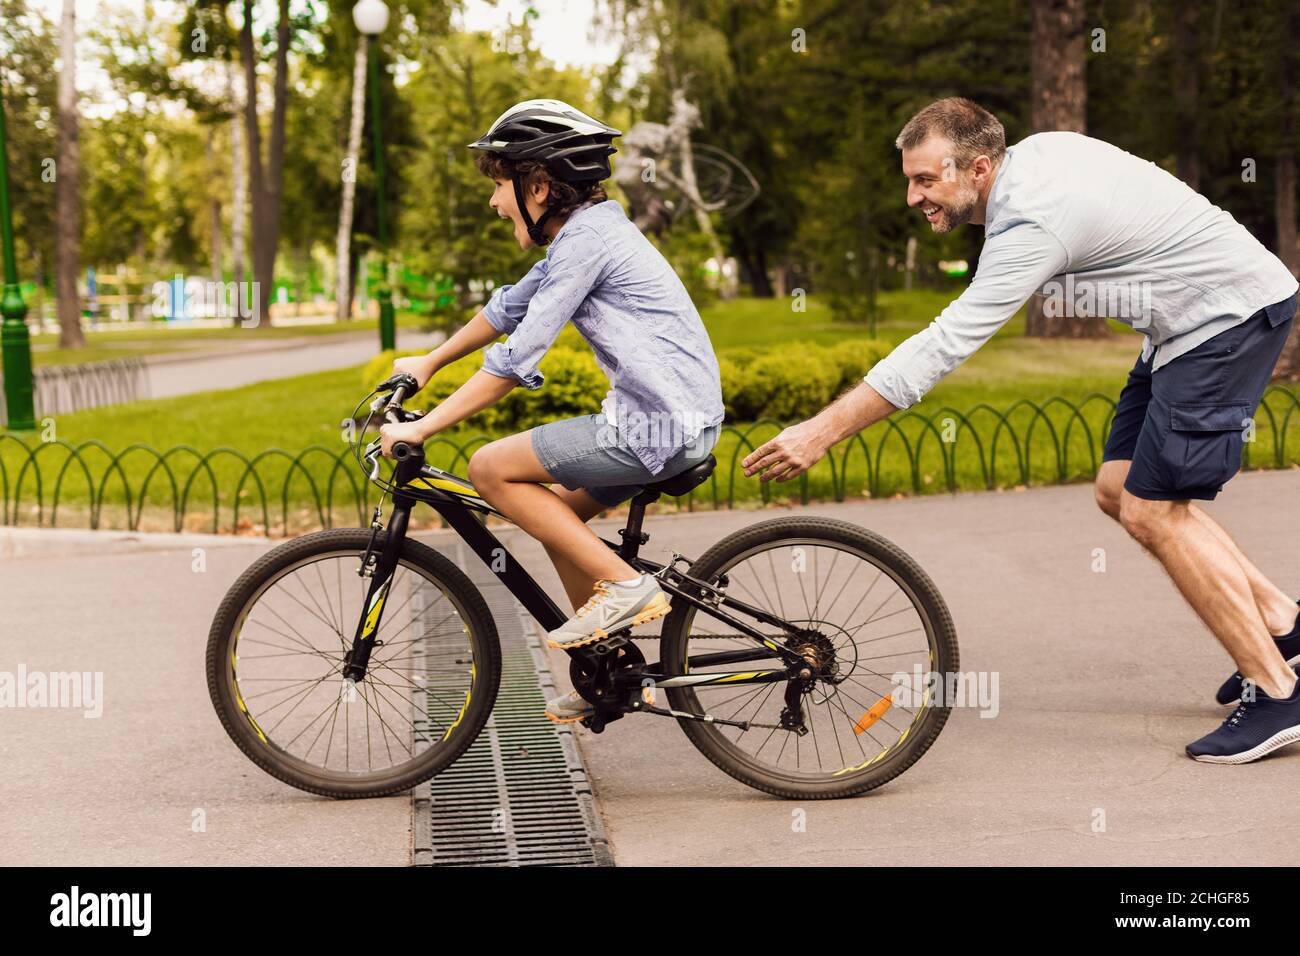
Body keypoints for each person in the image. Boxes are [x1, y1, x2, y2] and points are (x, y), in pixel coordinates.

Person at [742, 96, 1300, 764]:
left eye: (927, 180)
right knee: (1119, 487)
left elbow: (944, 343)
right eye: (910, 180)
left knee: (1154, 513)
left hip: (1225, 318)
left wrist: (822, 431)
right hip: (1182, 325)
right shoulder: (1034, 159)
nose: (914, 197)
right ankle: (1284, 627)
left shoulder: (1033, 223)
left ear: (979, 168)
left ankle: (1277, 694)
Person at [378, 99, 725, 723]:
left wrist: (424, 426)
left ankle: (626, 587)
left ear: (538, 186)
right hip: (671, 420)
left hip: (658, 428)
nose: (494, 202)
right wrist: (429, 362)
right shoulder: (590, 234)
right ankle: (608, 668)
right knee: (557, 519)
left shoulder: (587, 242)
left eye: (499, 186)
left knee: (489, 469)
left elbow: (516, 358)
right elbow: (508, 307)